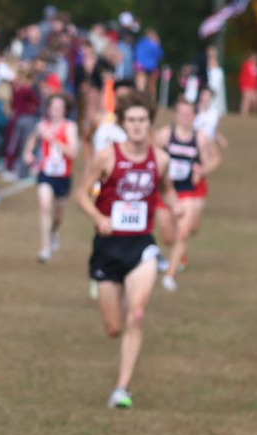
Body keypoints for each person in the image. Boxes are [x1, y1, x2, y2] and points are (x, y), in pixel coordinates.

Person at [76, 91, 175, 409]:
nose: (136, 126)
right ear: (122, 123)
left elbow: (167, 191)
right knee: (114, 327)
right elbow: (82, 194)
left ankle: (122, 388)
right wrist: (98, 217)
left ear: (149, 123)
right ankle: (103, 286)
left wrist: (177, 209)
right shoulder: (106, 156)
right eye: (131, 120)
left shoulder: (160, 159)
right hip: (107, 245)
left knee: (137, 314)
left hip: (141, 245)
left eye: (142, 120)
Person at [159, 88, 219, 292]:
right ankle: (178, 253)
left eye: (189, 114)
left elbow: (215, 158)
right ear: (176, 114)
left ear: (194, 116)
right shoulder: (165, 135)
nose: (185, 117)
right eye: (182, 113)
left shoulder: (200, 138)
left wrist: (202, 170)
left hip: (188, 190)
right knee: (169, 236)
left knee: (184, 232)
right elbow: (152, 155)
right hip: (166, 190)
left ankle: (170, 275)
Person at [25, 92, 78, 262]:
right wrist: (28, 153)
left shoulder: (70, 127)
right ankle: (45, 249)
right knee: (44, 206)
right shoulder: (41, 125)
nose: (55, 110)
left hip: (63, 175)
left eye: (59, 107)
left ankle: (54, 231)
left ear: (65, 110)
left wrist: (54, 139)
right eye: (52, 107)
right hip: (45, 173)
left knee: (58, 215)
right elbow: (32, 141)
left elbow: (73, 152)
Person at [239, 52, 257, 117]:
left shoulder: (256, 66)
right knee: (247, 100)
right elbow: (243, 76)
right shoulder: (247, 65)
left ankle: (254, 114)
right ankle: (244, 114)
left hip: (255, 86)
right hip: (247, 86)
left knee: (255, 101)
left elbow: (256, 78)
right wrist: (242, 85)